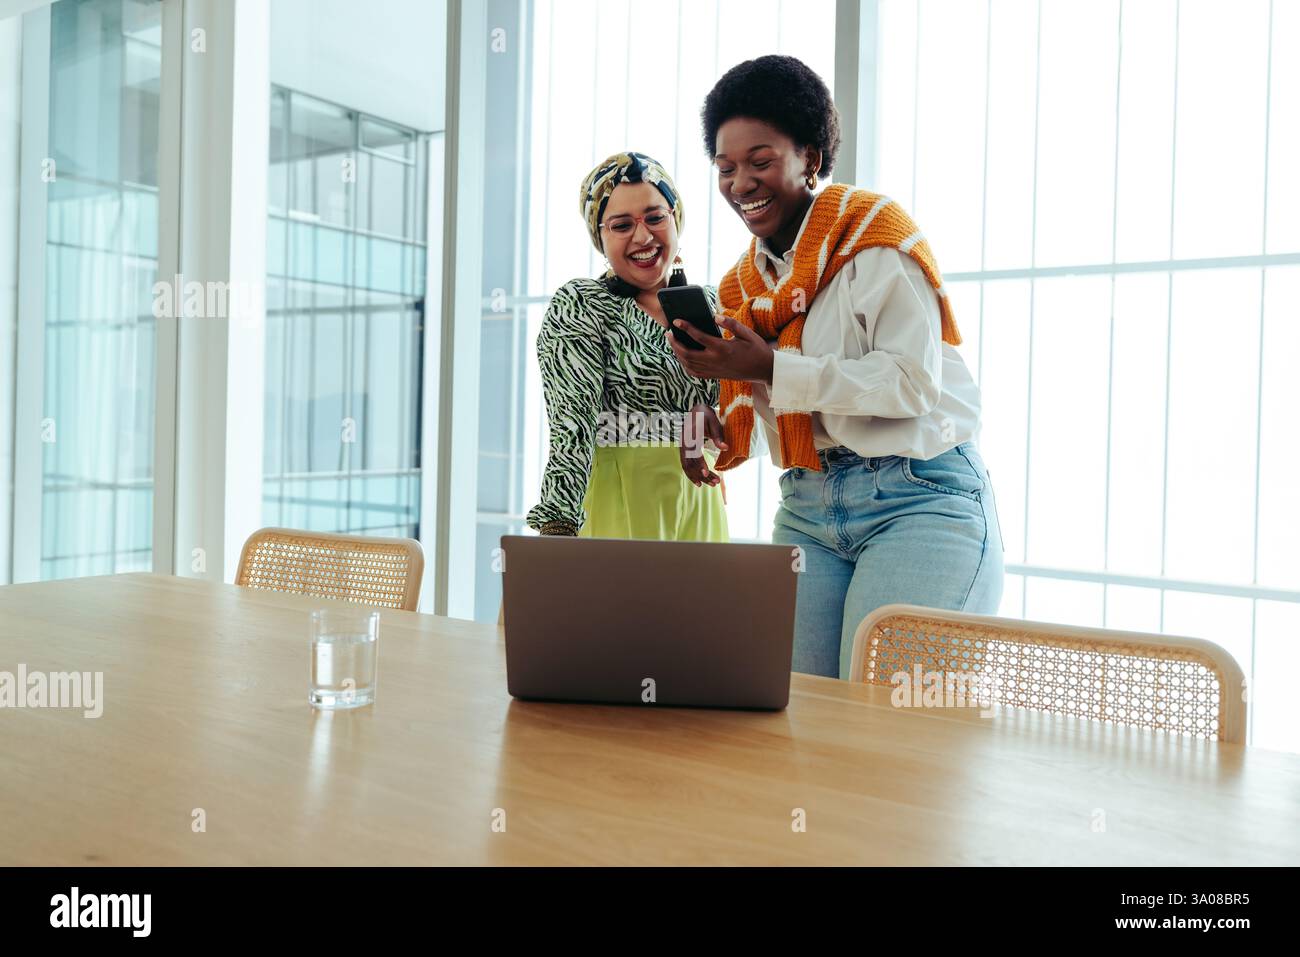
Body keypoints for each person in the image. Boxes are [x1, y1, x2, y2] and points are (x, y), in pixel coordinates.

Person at [669, 56, 1004, 678]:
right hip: (808, 504)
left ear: (811, 157)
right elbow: (784, 408)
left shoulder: (875, 241)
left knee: (889, 727)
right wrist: (714, 430)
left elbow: (912, 384)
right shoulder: (745, 285)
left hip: (919, 498)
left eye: (760, 160)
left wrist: (770, 368)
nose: (740, 182)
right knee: (798, 721)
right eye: (725, 167)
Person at [525, 152, 728, 541]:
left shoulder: (714, 305)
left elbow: (749, 412)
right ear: (600, 237)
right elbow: (571, 424)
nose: (643, 236)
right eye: (621, 225)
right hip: (618, 503)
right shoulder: (583, 303)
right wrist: (557, 527)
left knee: (700, 603)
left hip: (700, 506)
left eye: (655, 217)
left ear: (675, 218)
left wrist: (707, 423)